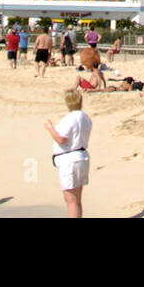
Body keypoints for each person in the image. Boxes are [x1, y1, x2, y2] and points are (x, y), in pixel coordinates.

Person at [45, 89, 92, 217]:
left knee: (71, 200)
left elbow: (61, 139)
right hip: (81, 157)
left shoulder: (70, 118)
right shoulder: (86, 117)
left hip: (70, 160)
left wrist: (50, 128)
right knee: (77, 200)